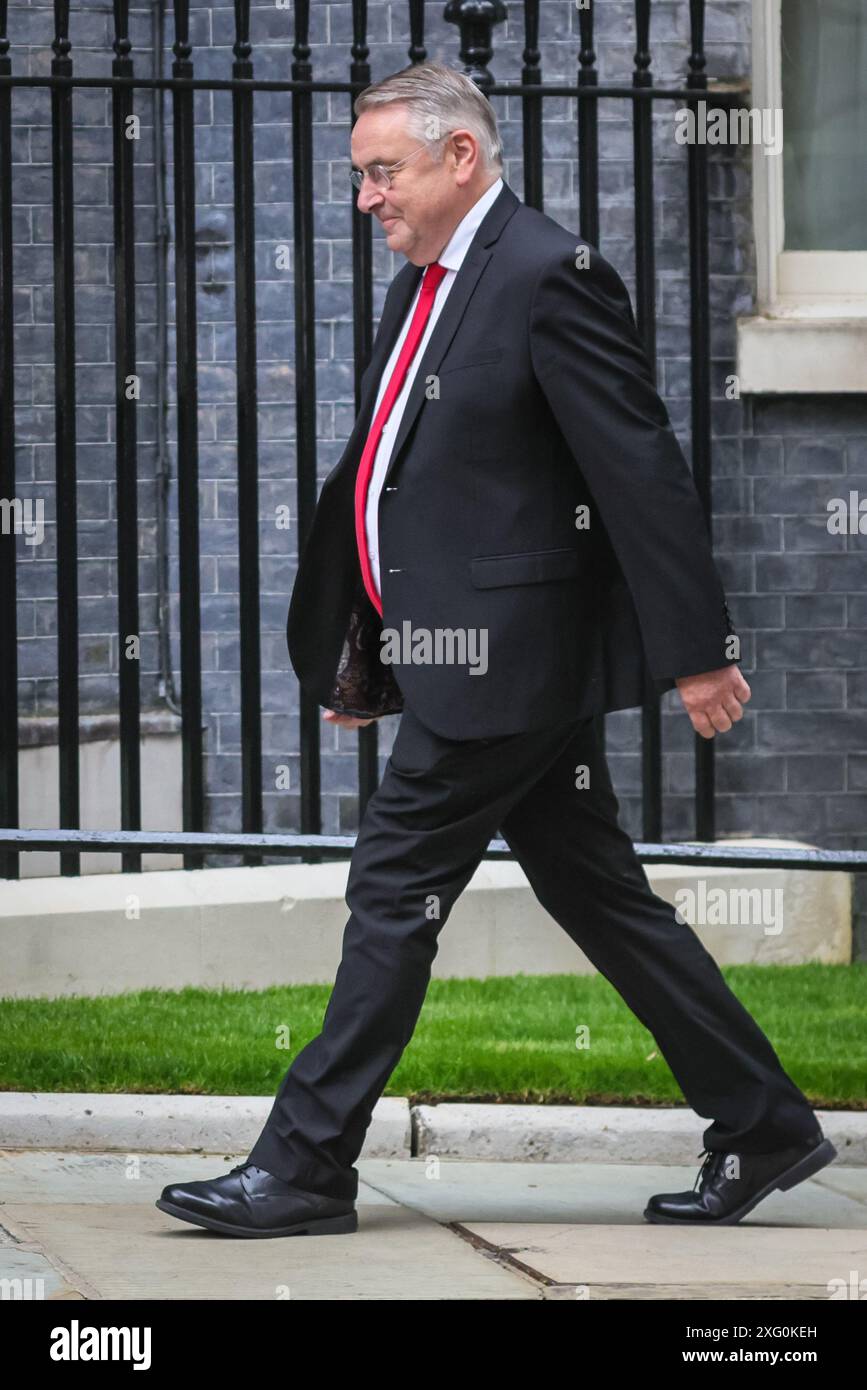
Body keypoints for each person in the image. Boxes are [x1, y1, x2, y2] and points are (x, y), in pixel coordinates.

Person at [156, 61, 835, 1239]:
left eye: (384, 171)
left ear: (459, 157)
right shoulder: (426, 282)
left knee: (390, 887)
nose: (366, 196)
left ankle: (308, 1162)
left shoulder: (544, 275)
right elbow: (399, 486)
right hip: (472, 656)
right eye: (360, 174)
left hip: (510, 664)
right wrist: (367, 652)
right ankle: (764, 1122)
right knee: (606, 900)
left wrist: (699, 647)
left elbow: (640, 467)